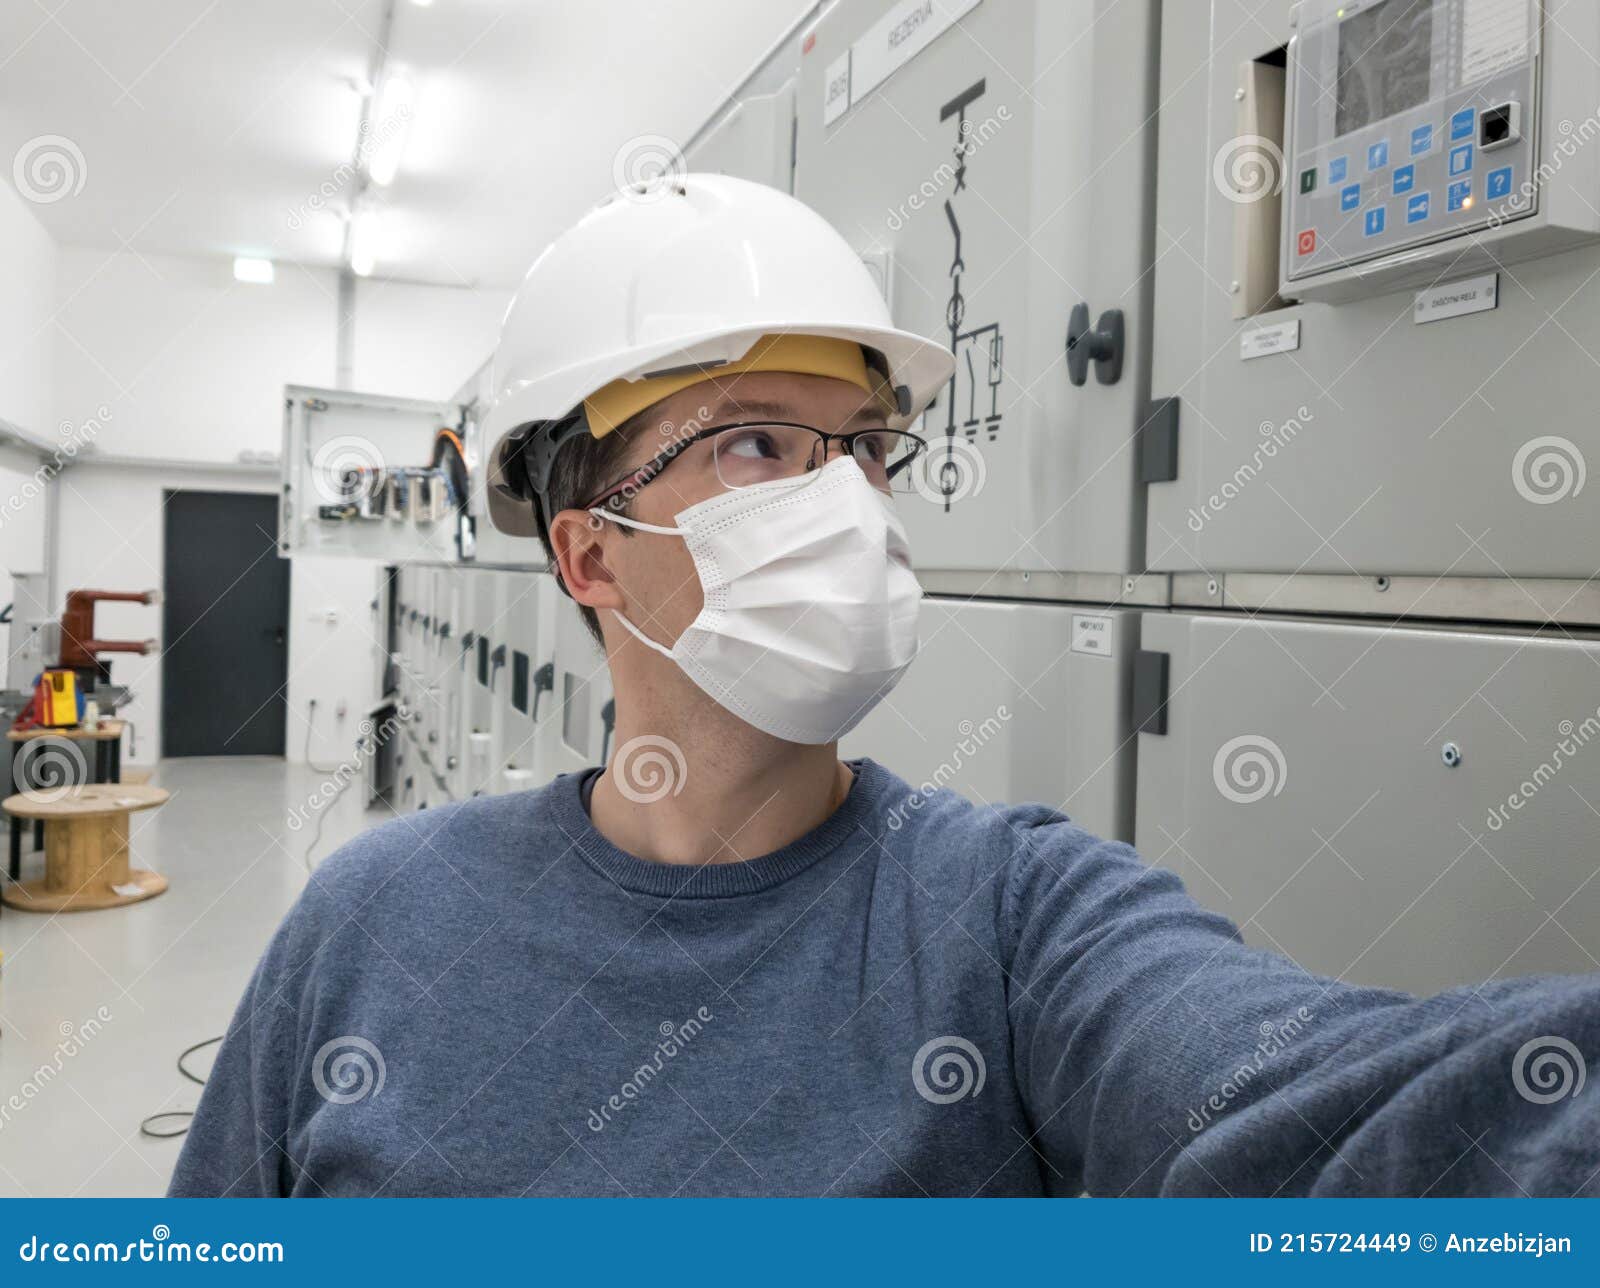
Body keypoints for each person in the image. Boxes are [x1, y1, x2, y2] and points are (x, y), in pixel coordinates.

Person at [170, 175, 1598, 1197]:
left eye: (860, 445)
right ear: (591, 555)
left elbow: (1331, 1108)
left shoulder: (1010, 915)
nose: (847, 501)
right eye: (753, 446)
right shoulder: (379, 915)